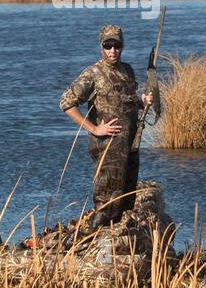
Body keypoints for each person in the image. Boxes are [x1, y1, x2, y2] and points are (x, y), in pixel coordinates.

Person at [59, 24, 155, 227]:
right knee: (107, 199)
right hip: (106, 146)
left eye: (117, 45)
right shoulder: (93, 73)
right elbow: (66, 103)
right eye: (108, 45)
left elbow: (126, 100)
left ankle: (121, 241)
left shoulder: (127, 70)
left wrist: (142, 100)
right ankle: (97, 237)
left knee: (127, 196)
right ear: (101, 46)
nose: (112, 50)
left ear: (122, 46)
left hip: (130, 143)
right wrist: (94, 129)